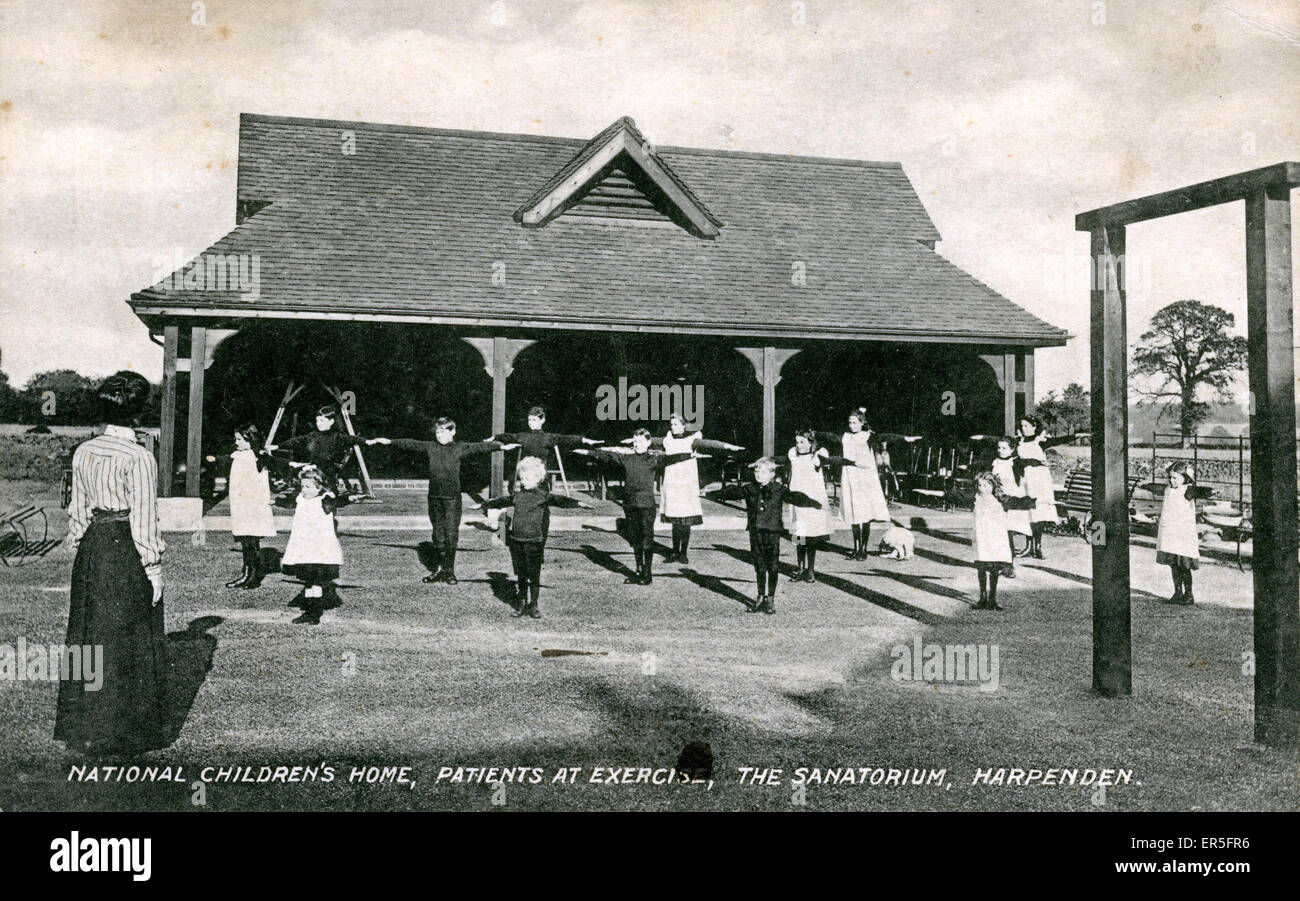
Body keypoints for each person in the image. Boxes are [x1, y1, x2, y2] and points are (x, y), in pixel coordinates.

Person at [56, 371, 171, 755]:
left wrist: (80, 545)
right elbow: (143, 518)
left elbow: (78, 511)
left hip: (93, 549)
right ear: (138, 412)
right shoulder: (139, 457)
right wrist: (153, 568)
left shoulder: (83, 451)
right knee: (126, 640)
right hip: (124, 551)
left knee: (88, 635)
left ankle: (84, 728)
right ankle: (123, 733)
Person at [371, 420, 514, 584]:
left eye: (444, 431)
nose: (440, 435)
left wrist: (501, 447)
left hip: (452, 499)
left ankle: (449, 571)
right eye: (437, 432)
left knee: (451, 535)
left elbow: (479, 447)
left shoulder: (459, 448)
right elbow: (412, 444)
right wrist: (390, 441)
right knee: (438, 535)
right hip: (434, 498)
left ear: (453, 432)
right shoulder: (431, 447)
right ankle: (439, 570)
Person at [574, 431, 694, 585]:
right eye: (635, 442)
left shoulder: (653, 459)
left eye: (641, 441)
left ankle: (647, 574)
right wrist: (586, 452)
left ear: (648, 443)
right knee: (635, 539)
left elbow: (672, 458)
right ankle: (638, 570)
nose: (637, 445)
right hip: (630, 505)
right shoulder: (627, 458)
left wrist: (689, 456)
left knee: (647, 539)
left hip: (646, 506)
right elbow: (607, 456)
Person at [483, 455, 592, 618]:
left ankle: (533, 605)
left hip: (534, 541)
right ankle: (521, 603)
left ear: (538, 479)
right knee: (521, 575)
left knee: (534, 575)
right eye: (521, 478)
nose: (523, 482)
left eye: (527, 478)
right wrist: (484, 504)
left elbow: (560, 500)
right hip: (517, 541)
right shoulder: (517, 496)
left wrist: (578, 503)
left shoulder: (542, 496)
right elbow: (501, 501)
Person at [716, 457, 821, 614]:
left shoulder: (779, 489)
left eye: (763, 472)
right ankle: (760, 597)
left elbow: (795, 497)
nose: (759, 474)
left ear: (772, 474)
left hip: (772, 532)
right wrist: (712, 493)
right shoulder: (749, 488)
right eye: (756, 471)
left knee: (772, 566)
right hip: (755, 532)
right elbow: (732, 492)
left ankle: (770, 598)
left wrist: (814, 503)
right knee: (759, 565)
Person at [646, 414, 743, 563]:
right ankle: (674, 552)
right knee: (675, 520)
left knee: (685, 520)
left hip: (686, 486)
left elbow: (709, 443)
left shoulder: (691, 440)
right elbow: (651, 440)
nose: (673, 427)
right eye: (671, 424)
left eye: (676, 424)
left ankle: (683, 553)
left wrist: (727, 446)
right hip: (672, 485)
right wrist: (635, 440)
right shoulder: (668, 439)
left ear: (683, 425)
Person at [266, 405, 379, 503]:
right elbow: (297, 440)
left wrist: (367, 441)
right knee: (302, 494)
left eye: (322, 421)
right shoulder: (314, 435)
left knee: (329, 500)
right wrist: (278, 446)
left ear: (331, 422)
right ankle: (281, 499)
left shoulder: (337, 436)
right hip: (313, 470)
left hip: (327, 473)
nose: (318, 424)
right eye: (317, 421)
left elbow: (352, 439)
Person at [786, 429, 856, 582]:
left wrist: (853, 463)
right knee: (799, 536)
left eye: (802, 442)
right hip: (797, 500)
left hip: (813, 502)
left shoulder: (817, 456)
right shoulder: (792, 454)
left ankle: (810, 570)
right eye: (797, 442)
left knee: (811, 537)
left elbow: (835, 460)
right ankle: (800, 567)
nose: (798, 445)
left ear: (811, 443)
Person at [278, 466, 343, 625]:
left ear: (319, 487)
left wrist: (352, 498)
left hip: (318, 548)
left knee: (316, 580)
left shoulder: (325, 499)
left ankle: (315, 612)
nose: (304, 489)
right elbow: (288, 503)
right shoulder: (300, 498)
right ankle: (308, 610)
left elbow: (339, 502)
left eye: (308, 486)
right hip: (303, 547)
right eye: (302, 486)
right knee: (307, 579)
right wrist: (276, 501)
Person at [971, 471, 1036, 610]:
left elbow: (1017, 502)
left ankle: (992, 598)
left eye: (986, 485)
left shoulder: (1000, 500)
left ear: (993, 486)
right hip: (981, 539)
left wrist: (1034, 501)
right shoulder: (975, 499)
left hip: (995, 539)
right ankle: (982, 598)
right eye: (980, 485)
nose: (982, 489)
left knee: (994, 568)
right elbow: (958, 496)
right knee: (981, 568)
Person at [492, 405, 601, 486]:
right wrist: (494, 437)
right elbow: (509, 436)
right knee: (515, 478)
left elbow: (566, 438)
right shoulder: (523, 436)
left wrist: (584, 440)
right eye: (529, 420)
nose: (531, 422)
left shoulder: (548, 437)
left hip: (541, 473)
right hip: (526, 473)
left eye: (534, 420)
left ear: (542, 420)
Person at [224, 423, 276, 589]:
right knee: (246, 541)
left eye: (240, 439)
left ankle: (252, 576)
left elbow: (256, 483)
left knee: (251, 541)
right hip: (241, 505)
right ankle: (247, 573)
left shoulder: (254, 457)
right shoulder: (241, 456)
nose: (236, 442)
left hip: (251, 506)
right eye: (236, 439)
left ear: (250, 440)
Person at [1015, 416, 1075, 559]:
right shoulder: (1019, 441)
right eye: (1022, 426)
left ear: (1034, 426)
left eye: (1026, 426)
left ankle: (1038, 546)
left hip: (1039, 481)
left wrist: (1076, 435)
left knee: (1039, 511)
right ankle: (1028, 546)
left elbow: (1060, 440)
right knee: (1027, 512)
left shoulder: (1040, 441)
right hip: (1025, 480)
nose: (1023, 428)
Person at [1154, 462, 1212, 606]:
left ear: (1184, 478)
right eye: (1170, 477)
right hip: (1170, 534)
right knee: (1173, 564)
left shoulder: (1187, 491)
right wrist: (1146, 486)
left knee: (1184, 566)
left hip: (1183, 535)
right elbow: (1156, 488)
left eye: (1175, 478)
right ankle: (1177, 592)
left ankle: (1189, 594)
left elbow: (1201, 491)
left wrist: (1210, 492)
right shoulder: (1168, 490)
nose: (1172, 480)